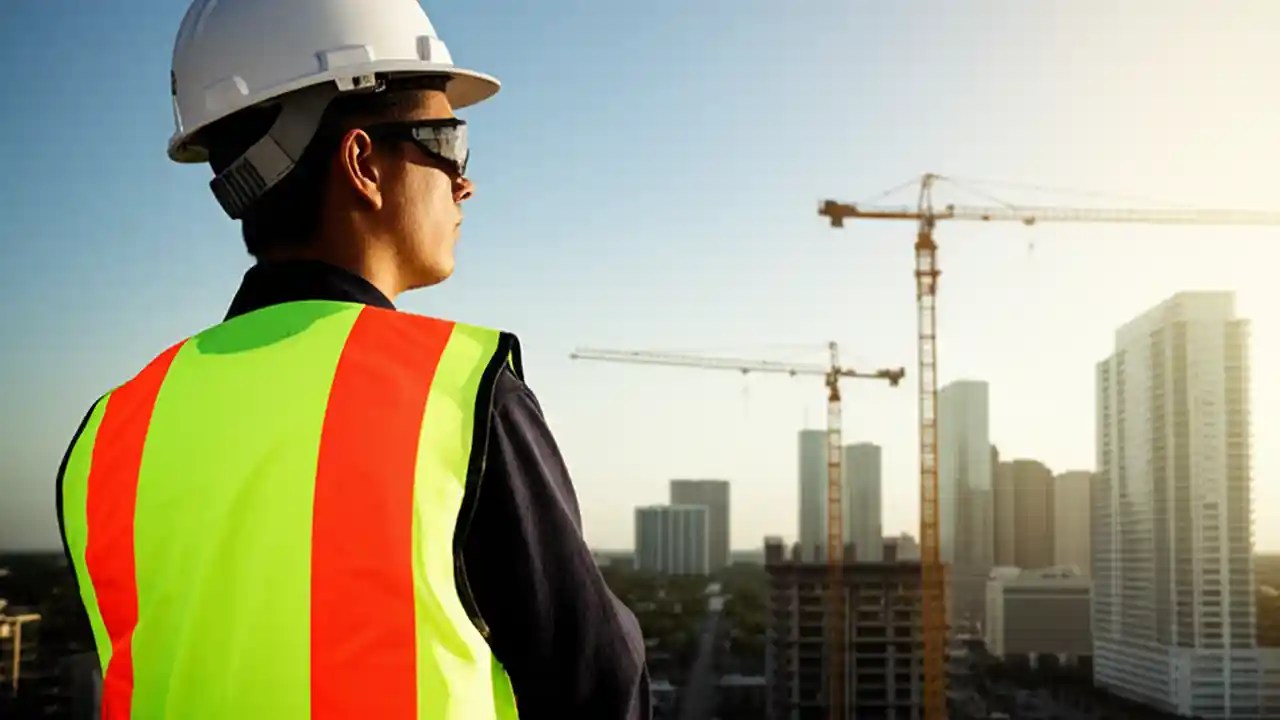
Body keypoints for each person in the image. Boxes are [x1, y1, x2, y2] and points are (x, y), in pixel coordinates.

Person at [53, 1, 650, 718]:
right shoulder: (456, 394)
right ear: (363, 162)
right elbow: (599, 690)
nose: (466, 183)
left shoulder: (111, 433)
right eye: (450, 143)